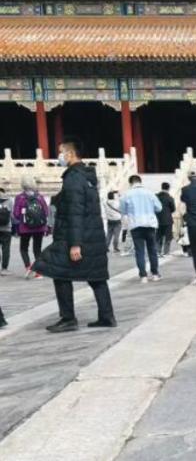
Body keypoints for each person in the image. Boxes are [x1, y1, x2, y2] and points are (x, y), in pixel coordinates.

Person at [33, 137, 116, 332]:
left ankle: (68, 318)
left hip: (74, 237)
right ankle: (107, 316)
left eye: (61, 152)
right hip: (93, 236)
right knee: (96, 277)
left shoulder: (73, 179)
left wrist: (75, 244)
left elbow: (75, 212)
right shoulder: (87, 176)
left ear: (70, 154)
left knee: (58, 272)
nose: (59, 156)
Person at [120, 175, 162, 284]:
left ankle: (143, 275)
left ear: (130, 183)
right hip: (149, 224)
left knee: (139, 251)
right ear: (140, 181)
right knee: (152, 250)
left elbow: (123, 211)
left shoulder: (126, 195)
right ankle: (155, 273)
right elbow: (159, 208)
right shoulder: (149, 193)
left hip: (135, 224)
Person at [12, 176, 49, 279]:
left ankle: (28, 267)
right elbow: (46, 212)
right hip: (40, 227)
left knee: (23, 248)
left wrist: (23, 218)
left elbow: (16, 214)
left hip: (25, 228)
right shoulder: (40, 197)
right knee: (37, 249)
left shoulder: (20, 197)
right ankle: (38, 273)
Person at [156, 182, 176, 256]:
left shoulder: (156, 197)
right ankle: (166, 252)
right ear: (168, 188)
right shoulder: (170, 198)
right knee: (168, 237)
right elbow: (173, 209)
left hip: (157, 219)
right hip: (167, 219)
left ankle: (158, 251)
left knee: (158, 236)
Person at [0, 187, 13, 275]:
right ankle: (4, 269)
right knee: (6, 249)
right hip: (6, 228)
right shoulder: (9, 200)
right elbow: (12, 215)